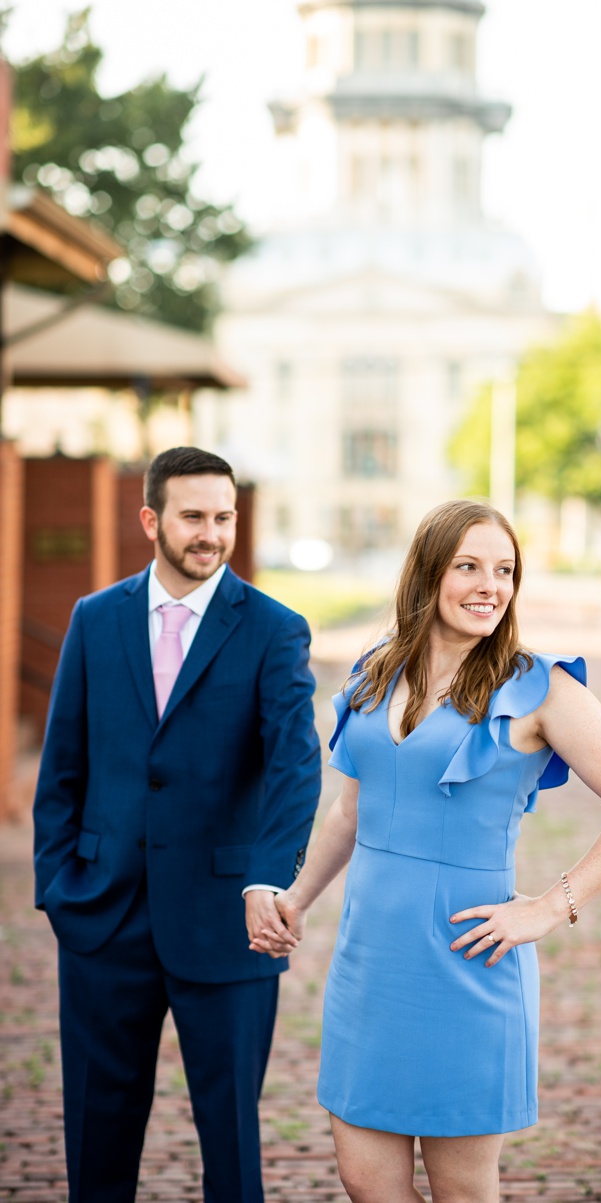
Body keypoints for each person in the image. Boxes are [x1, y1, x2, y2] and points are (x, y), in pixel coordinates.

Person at [251, 499, 601, 1202]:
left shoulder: (539, 684)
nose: (490, 585)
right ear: (427, 573)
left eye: (505, 570)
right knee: (364, 1180)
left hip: (469, 961)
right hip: (370, 962)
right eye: (469, 566)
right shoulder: (374, 672)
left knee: (463, 1193)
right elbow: (351, 810)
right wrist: (296, 896)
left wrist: (547, 907)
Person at [33, 446, 321, 1203]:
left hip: (229, 922)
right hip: (101, 918)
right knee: (97, 1136)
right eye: (194, 516)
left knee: (230, 1140)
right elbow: (62, 764)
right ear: (151, 519)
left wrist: (268, 876)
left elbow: (296, 767)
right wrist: (58, 887)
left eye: (223, 517)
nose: (212, 534)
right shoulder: (95, 619)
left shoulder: (274, 629)